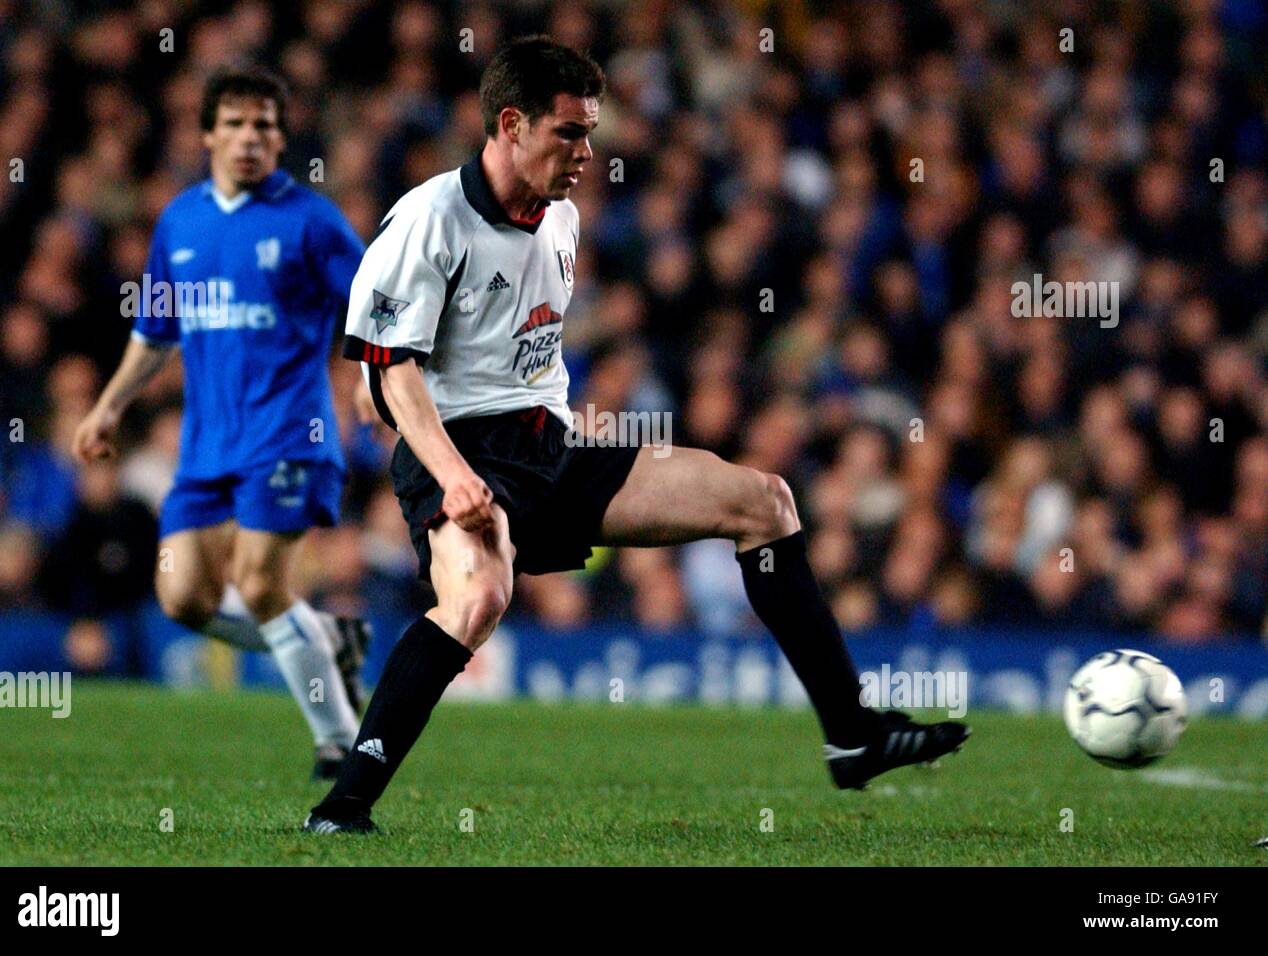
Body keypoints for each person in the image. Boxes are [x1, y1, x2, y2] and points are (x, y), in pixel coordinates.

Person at [305, 36, 968, 834]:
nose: (587, 153)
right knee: (479, 596)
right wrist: (450, 475)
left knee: (764, 500)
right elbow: (388, 375)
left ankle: (852, 735)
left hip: (550, 451)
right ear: (510, 124)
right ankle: (343, 806)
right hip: (458, 455)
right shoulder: (428, 220)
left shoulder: (563, 219)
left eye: (591, 133)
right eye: (569, 133)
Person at [73, 67, 369, 780]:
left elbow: (374, 306)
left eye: (264, 124)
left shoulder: (312, 221)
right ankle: (327, 638)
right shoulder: (180, 222)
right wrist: (110, 403)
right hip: (206, 452)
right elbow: (156, 333)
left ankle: (342, 743)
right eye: (234, 123)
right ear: (207, 133)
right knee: (181, 597)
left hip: (290, 436)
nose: (249, 138)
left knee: (262, 583)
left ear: (280, 138)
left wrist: (367, 379)